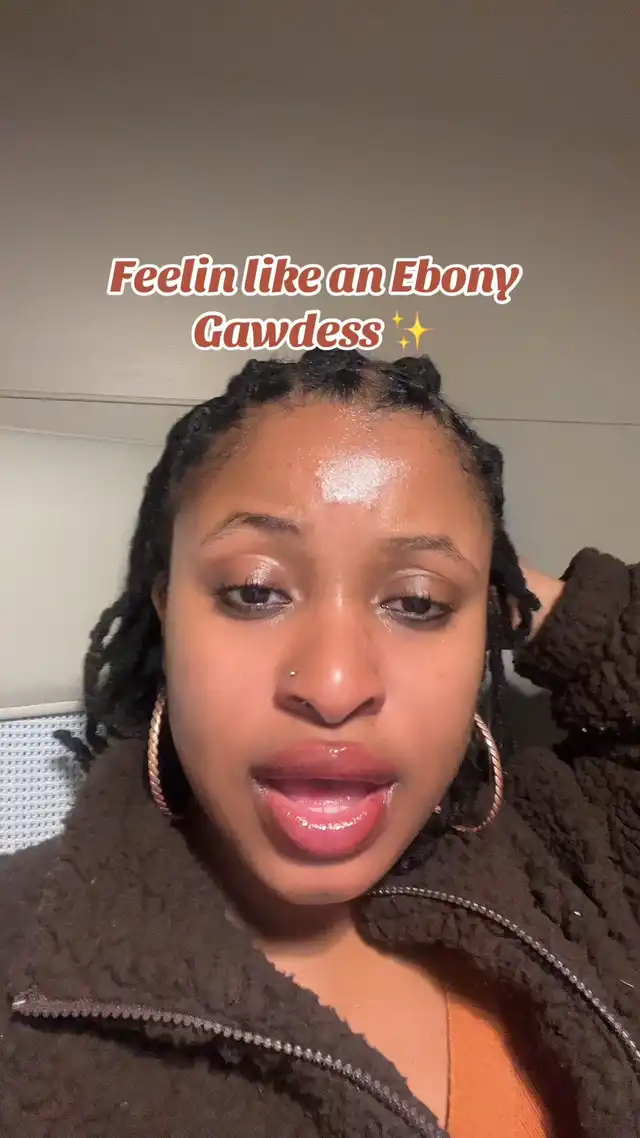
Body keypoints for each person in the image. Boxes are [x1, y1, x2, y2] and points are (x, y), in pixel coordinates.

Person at [0, 349, 638, 1138]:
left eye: (419, 603)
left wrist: (520, 591)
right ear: (167, 610)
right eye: (255, 590)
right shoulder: (21, 969)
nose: (335, 686)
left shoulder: (571, 858)